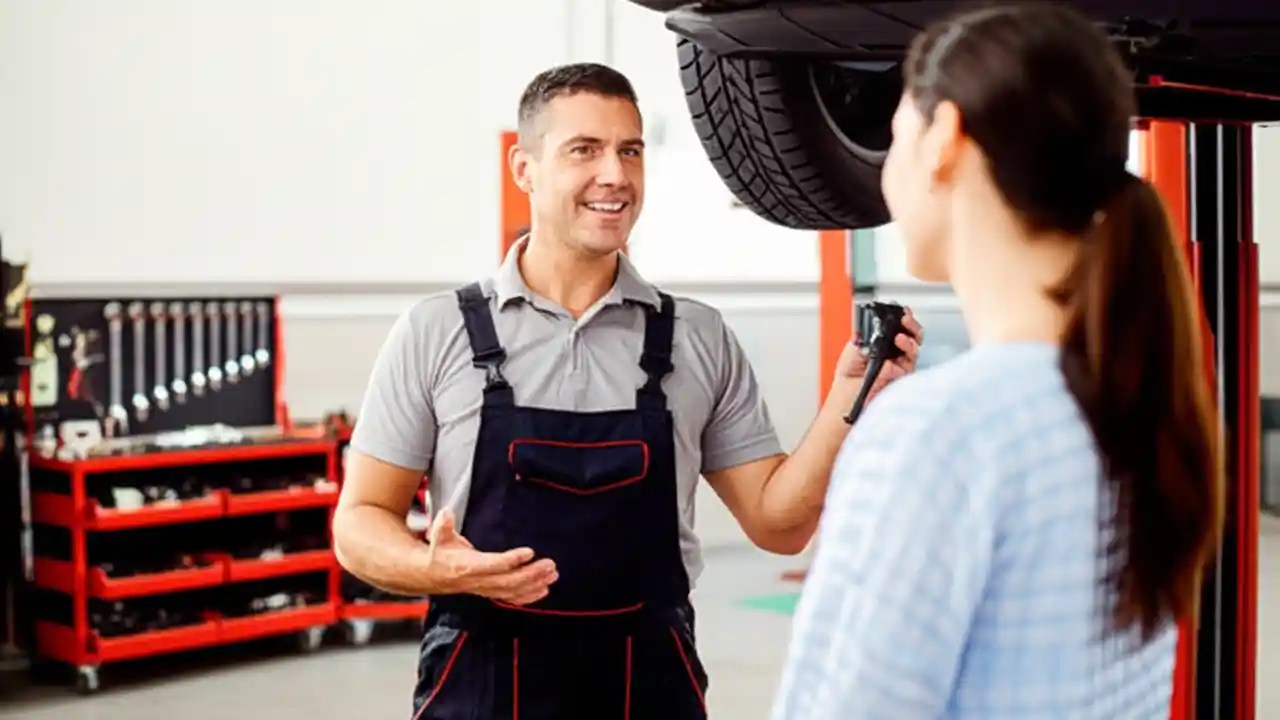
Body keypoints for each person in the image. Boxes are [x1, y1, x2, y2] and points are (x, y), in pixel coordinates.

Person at [332, 62, 922, 720]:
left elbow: (778, 524)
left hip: (650, 690)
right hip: (482, 688)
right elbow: (359, 524)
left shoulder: (696, 337)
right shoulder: (437, 331)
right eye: (584, 150)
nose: (614, 174)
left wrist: (850, 398)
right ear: (525, 169)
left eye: (630, 151)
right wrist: (440, 571)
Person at [770, 4, 1225, 719]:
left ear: (944, 140)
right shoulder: (1134, 399)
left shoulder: (937, 431)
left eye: (895, 138)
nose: (886, 178)